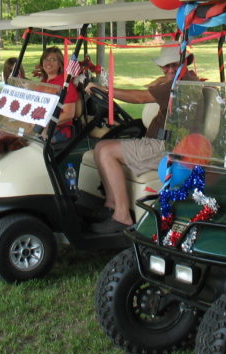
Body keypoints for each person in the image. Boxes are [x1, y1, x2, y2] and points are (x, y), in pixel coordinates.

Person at [83, 42, 198, 234]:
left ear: (184, 63)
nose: (169, 69)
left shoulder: (179, 84)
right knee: (101, 147)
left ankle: (122, 217)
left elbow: (139, 98)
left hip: (167, 147)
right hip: (157, 141)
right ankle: (111, 205)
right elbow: (155, 88)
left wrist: (105, 90)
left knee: (106, 152)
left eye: (174, 65)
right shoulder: (180, 80)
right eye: (165, 65)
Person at [39, 46, 78, 142]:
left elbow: (68, 114)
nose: (48, 63)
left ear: (60, 64)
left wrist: (45, 123)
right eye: (46, 59)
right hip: (40, 124)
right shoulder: (42, 82)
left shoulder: (66, 85)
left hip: (58, 129)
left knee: (29, 142)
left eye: (53, 60)